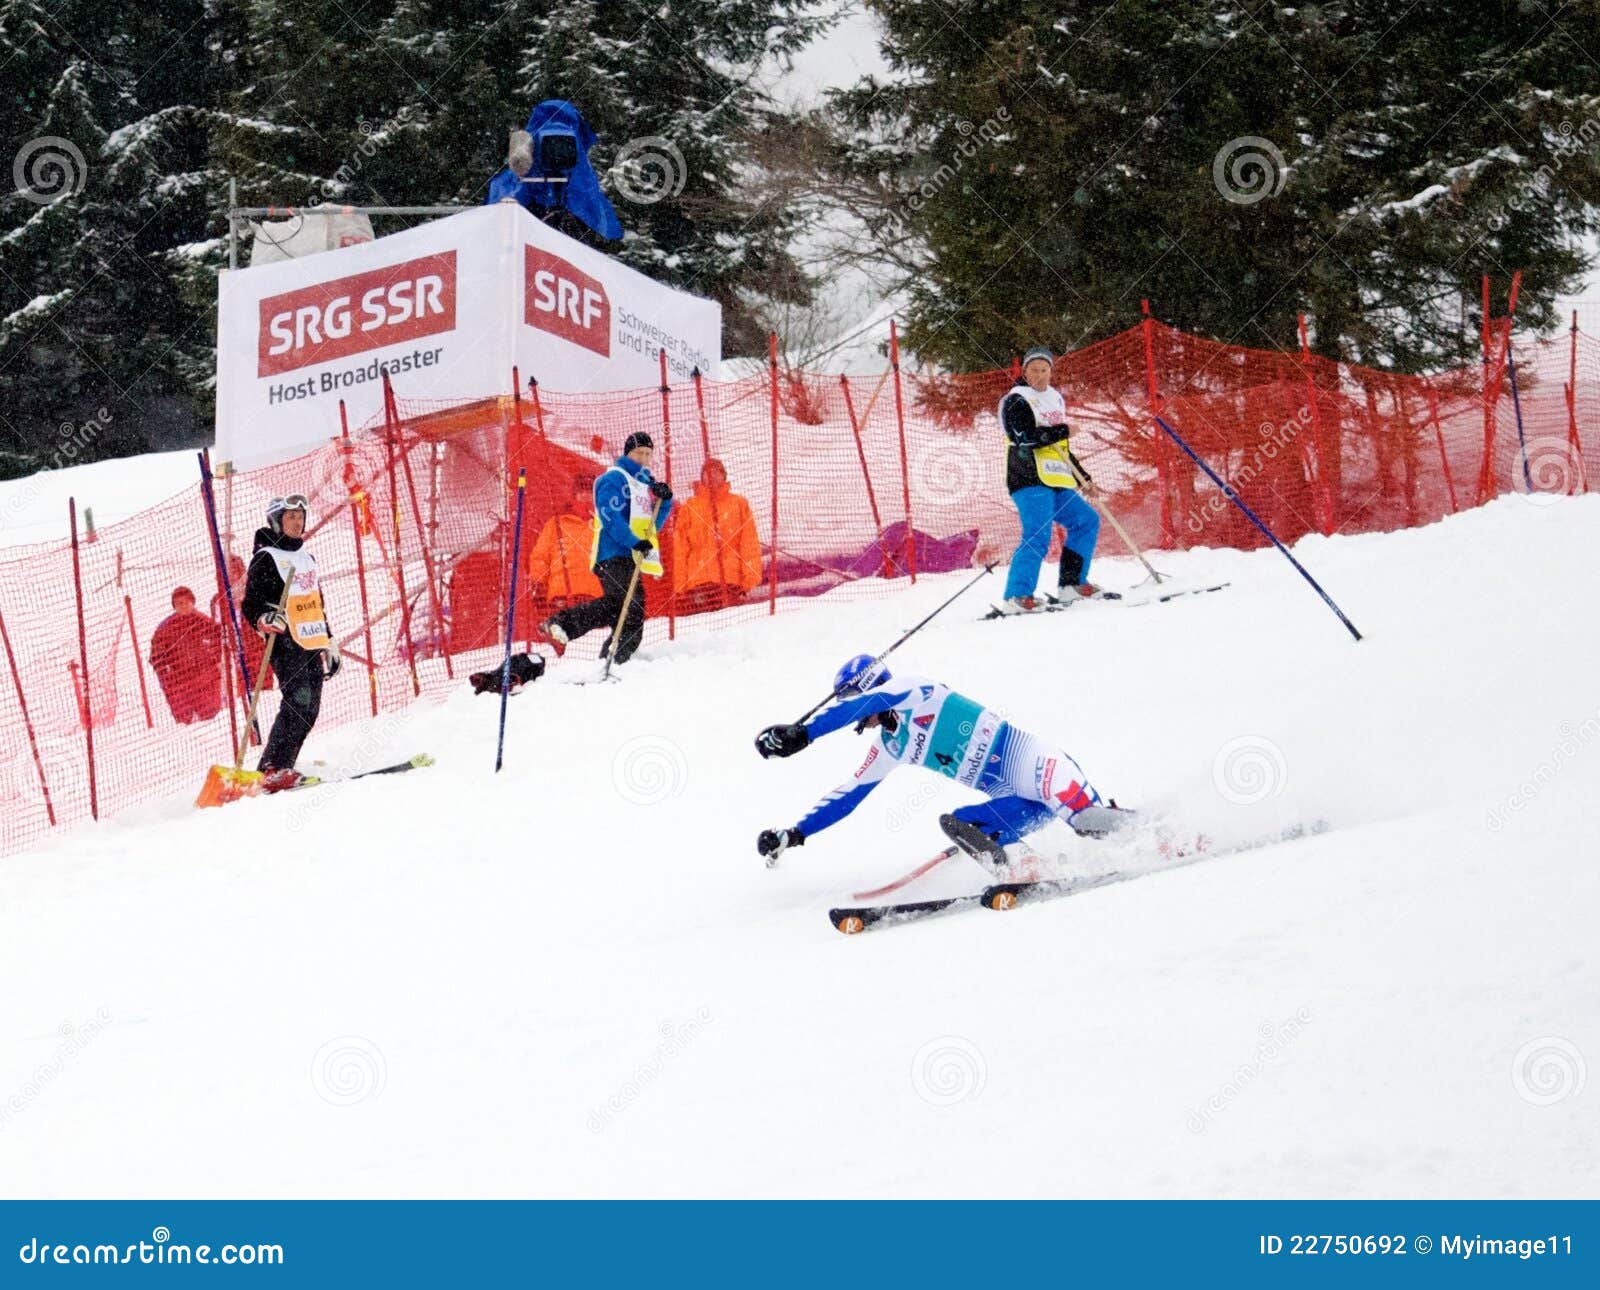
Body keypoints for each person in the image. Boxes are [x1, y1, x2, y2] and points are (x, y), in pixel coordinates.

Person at [753, 654, 1127, 870]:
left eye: (849, 699)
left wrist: (806, 733)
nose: (849, 713)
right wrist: (796, 834)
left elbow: (863, 704)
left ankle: (1165, 831)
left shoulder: (912, 689)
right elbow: (848, 795)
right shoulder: (890, 745)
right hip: (1016, 801)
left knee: (1089, 823)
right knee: (961, 823)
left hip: (1037, 765)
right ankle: (1024, 870)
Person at [540, 432, 673, 665]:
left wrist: (665, 501)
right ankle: (610, 657)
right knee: (629, 608)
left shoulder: (646, 484)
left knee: (620, 608)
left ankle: (599, 650)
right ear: (627, 453)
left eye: (648, 454)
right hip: (613, 555)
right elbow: (609, 516)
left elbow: (654, 524)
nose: (643, 458)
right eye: (638, 453)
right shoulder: (614, 479)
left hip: (632, 555)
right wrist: (633, 541)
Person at [240, 495, 342, 790]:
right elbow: (250, 605)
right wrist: (264, 618)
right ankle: (273, 766)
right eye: (290, 518)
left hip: (311, 638)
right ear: (276, 522)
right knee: (298, 700)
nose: (297, 523)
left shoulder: (307, 557)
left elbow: (315, 602)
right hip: (286, 641)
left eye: (300, 517)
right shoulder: (266, 558)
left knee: (311, 707)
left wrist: (330, 640)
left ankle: (280, 765)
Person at [997, 344, 1106, 612]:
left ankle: (1072, 585)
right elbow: (1024, 438)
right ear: (1024, 371)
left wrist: (1083, 479)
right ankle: (1018, 596)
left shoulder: (1055, 398)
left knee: (1086, 520)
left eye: (1044, 369)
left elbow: (1062, 448)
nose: (1039, 375)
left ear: (1051, 371)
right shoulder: (1016, 399)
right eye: (1033, 369)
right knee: (1038, 533)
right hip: (1027, 477)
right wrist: (1063, 430)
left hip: (1055, 477)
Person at [671, 458, 761, 613]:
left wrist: (750, 578)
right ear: (702, 477)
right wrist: (680, 584)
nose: (712, 476)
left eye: (716, 472)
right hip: (699, 581)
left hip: (730, 579)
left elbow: (749, 543)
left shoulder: (739, 504)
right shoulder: (689, 507)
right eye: (707, 473)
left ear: (724, 475)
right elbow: (680, 548)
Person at [148, 586, 223, 724]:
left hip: (204, 678)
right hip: (180, 681)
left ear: (192, 602)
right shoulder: (165, 628)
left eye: (186, 602)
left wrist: (216, 664)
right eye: (179, 603)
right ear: (174, 606)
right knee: (185, 721)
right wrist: (168, 677)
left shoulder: (204, 622)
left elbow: (218, 645)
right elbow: (156, 657)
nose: (183, 606)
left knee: (211, 718)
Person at [529, 476, 602, 613]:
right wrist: (539, 585)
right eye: (582, 493)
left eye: (590, 493)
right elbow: (540, 557)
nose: (585, 497)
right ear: (574, 495)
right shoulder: (556, 523)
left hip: (595, 596)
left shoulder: (602, 525)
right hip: (562, 596)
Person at [211, 553, 270, 695]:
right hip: (234, 652)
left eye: (236, 571)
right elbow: (218, 626)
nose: (233, 577)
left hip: (257, 649)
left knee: (263, 690)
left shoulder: (253, 591)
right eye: (229, 573)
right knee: (241, 691)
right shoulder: (219, 599)